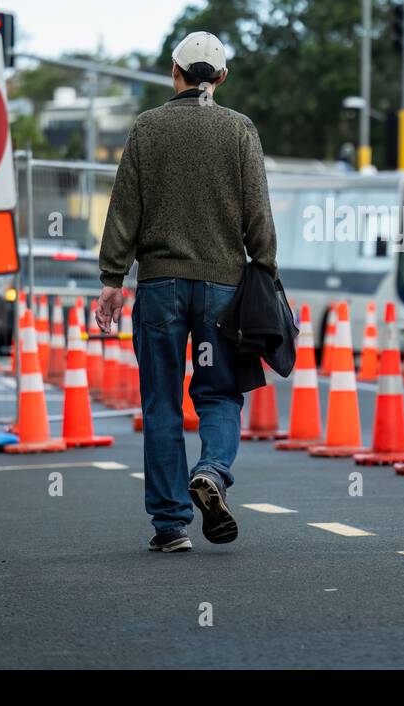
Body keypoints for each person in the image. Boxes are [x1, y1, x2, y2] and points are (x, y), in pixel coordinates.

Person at [97, 31, 277, 553]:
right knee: (219, 392)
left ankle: (171, 525)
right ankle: (213, 473)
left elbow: (123, 209)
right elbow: (257, 213)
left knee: (161, 402)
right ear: (221, 78)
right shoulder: (239, 130)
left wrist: (112, 279)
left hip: (159, 288)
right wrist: (264, 269)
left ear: (173, 72)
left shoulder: (147, 129)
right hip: (224, 288)